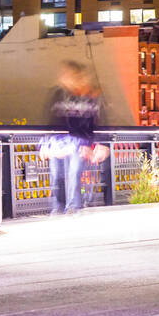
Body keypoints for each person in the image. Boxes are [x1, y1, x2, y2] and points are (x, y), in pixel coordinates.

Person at [42, 61, 106, 216]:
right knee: (56, 176)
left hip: (78, 142)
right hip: (58, 142)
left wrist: (92, 143)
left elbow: (96, 120)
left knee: (74, 174)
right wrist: (45, 144)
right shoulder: (58, 93)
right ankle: (58, 206)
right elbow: (49, 119)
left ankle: (72, 207)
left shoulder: (90, 95)